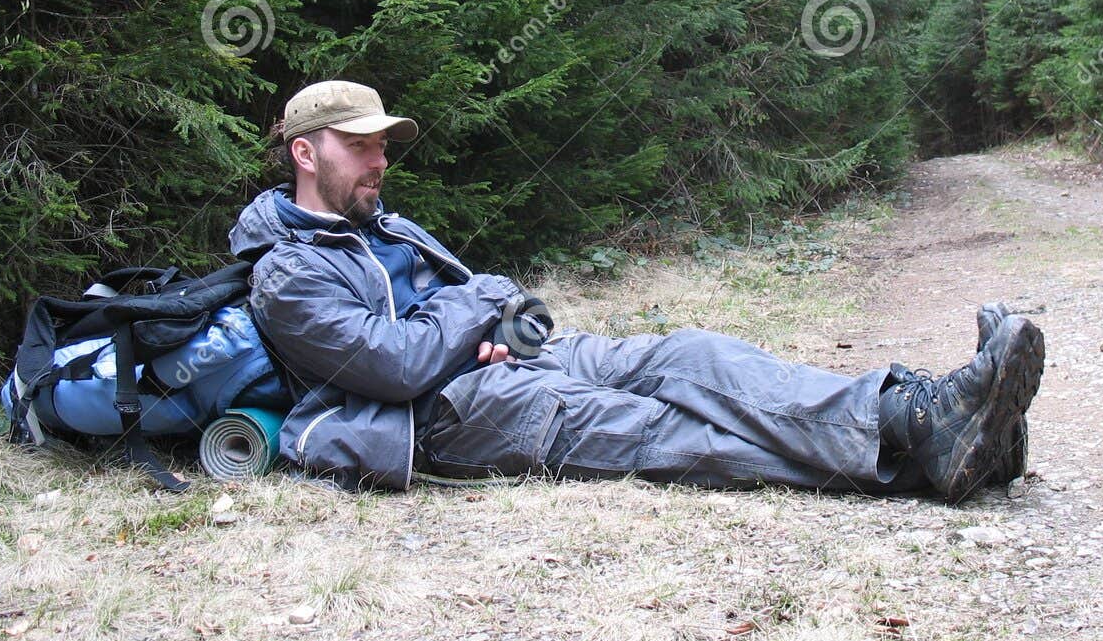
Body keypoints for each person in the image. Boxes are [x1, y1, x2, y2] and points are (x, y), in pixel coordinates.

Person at [228, 80, 1045, 501]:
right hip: (440, 419)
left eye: (384, 146)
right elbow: (396, 365)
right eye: (360, 145)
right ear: (305, 153)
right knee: (659, 428)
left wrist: (497, 320)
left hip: (510, 364)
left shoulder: (389, 228)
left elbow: (511, 296)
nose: (379, 161)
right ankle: (922, 463)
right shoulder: (286, 270)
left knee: (691, 355)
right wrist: (472, 315)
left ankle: (915, 413)